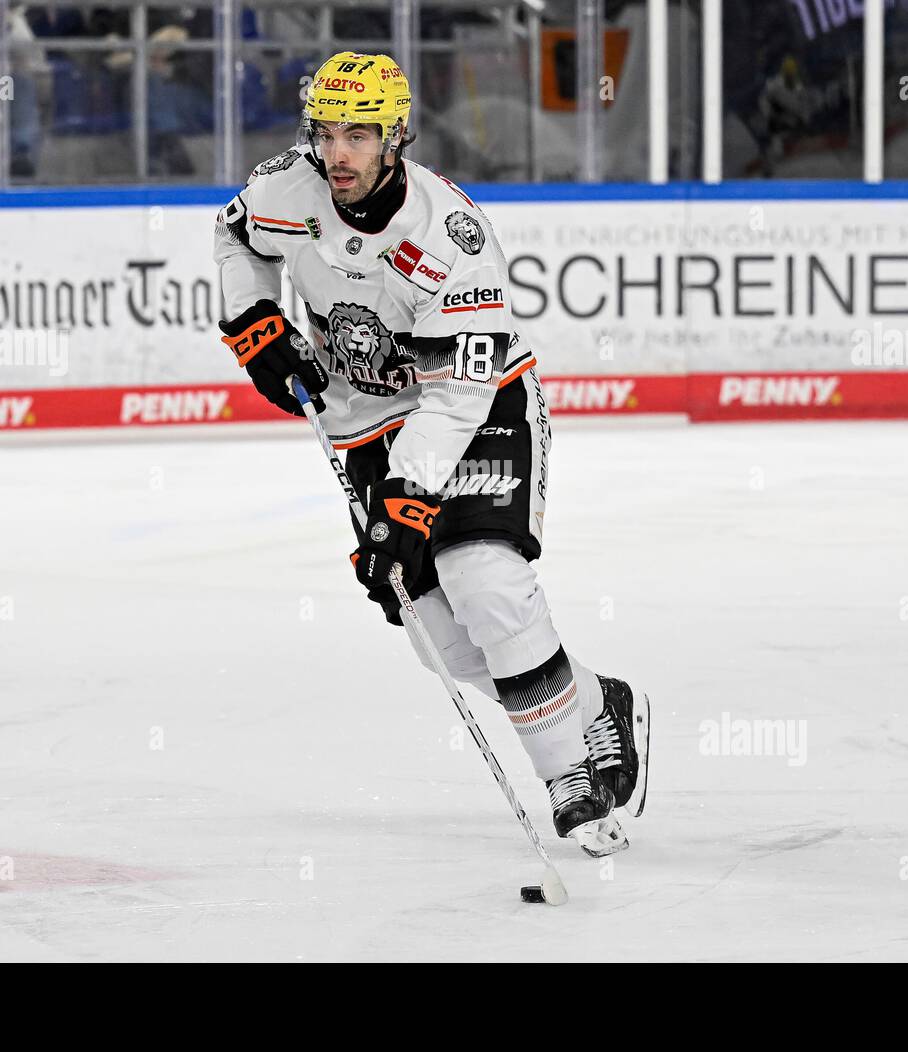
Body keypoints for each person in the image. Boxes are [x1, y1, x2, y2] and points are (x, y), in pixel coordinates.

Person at [211, 52, 649, 856]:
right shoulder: (285, 191)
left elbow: (456, 394)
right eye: (326, 133)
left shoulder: (452, 238)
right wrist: (253, 323)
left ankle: (569, 785)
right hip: (363, 425)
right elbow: (234, 235)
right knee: (440, 637)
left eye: (359, 135)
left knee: (486, 579)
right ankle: (592, 702)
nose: (338, 153)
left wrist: (411, 495)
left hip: (479, 407)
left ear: (397, 135)